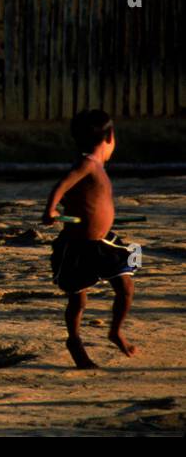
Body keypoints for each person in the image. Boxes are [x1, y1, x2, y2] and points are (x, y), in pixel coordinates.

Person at [43, 109, 138, 368]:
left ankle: (115, 331)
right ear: (110, 137)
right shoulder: (86, 164)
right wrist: (51, 209)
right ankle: (74, 340)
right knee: (78, 299)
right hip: (77, 246)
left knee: (126, 287)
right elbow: (62, 185)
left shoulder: (96, 167)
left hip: (103, 243)